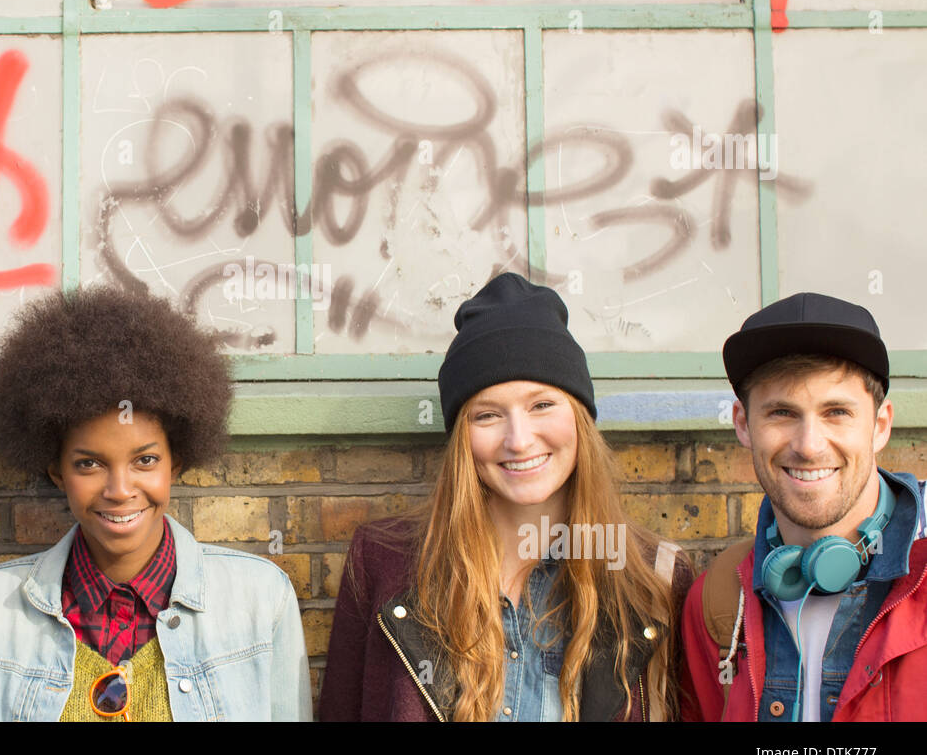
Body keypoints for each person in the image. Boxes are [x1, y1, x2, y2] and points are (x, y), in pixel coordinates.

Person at [320, 272, 689, 721]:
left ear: (580, 418)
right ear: (462, 437)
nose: (519, 440)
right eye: (488, 415)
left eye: (542, 405)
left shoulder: (655, 577)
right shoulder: (383, 562)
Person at [0, 285, 311, 721]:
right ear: (56, 471)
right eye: (89, 464)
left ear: (176, 463)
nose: (120, 490)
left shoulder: (261, 599)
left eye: (145, 460)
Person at [681, 292, 927, 721]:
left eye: (836, 412)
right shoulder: (716, 601)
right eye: (781, 412)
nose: (809, 446)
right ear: (743, 424)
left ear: (880, 425)